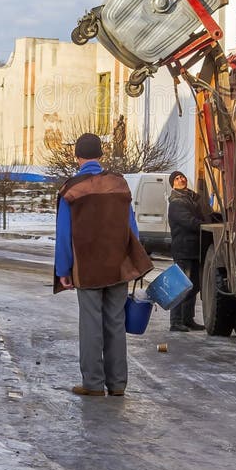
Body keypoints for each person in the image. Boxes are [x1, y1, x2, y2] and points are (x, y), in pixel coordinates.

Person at [54, 133, 152, 397]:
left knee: (91, 326)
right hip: (118, 266)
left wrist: (63, 270)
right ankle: (118, 384)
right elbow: (131, 228)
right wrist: (131, 259)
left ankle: (93, 384)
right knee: (115, 324)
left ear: (77, 157)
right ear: (101, 155)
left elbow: (65, 234)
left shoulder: (72, 189)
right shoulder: (118, 185)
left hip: (87, 268)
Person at [167, 170, 208, 332]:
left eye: (182, 177)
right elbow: (188, 222)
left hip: (193, 248)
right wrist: (204, 226)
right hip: (183, 249)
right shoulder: (176, 202)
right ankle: (175, 321)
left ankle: (187, 318)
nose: (181, 179)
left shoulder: (190, 197)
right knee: (181, 285)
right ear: (173, 184)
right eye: (176, 179)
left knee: (193, 285)